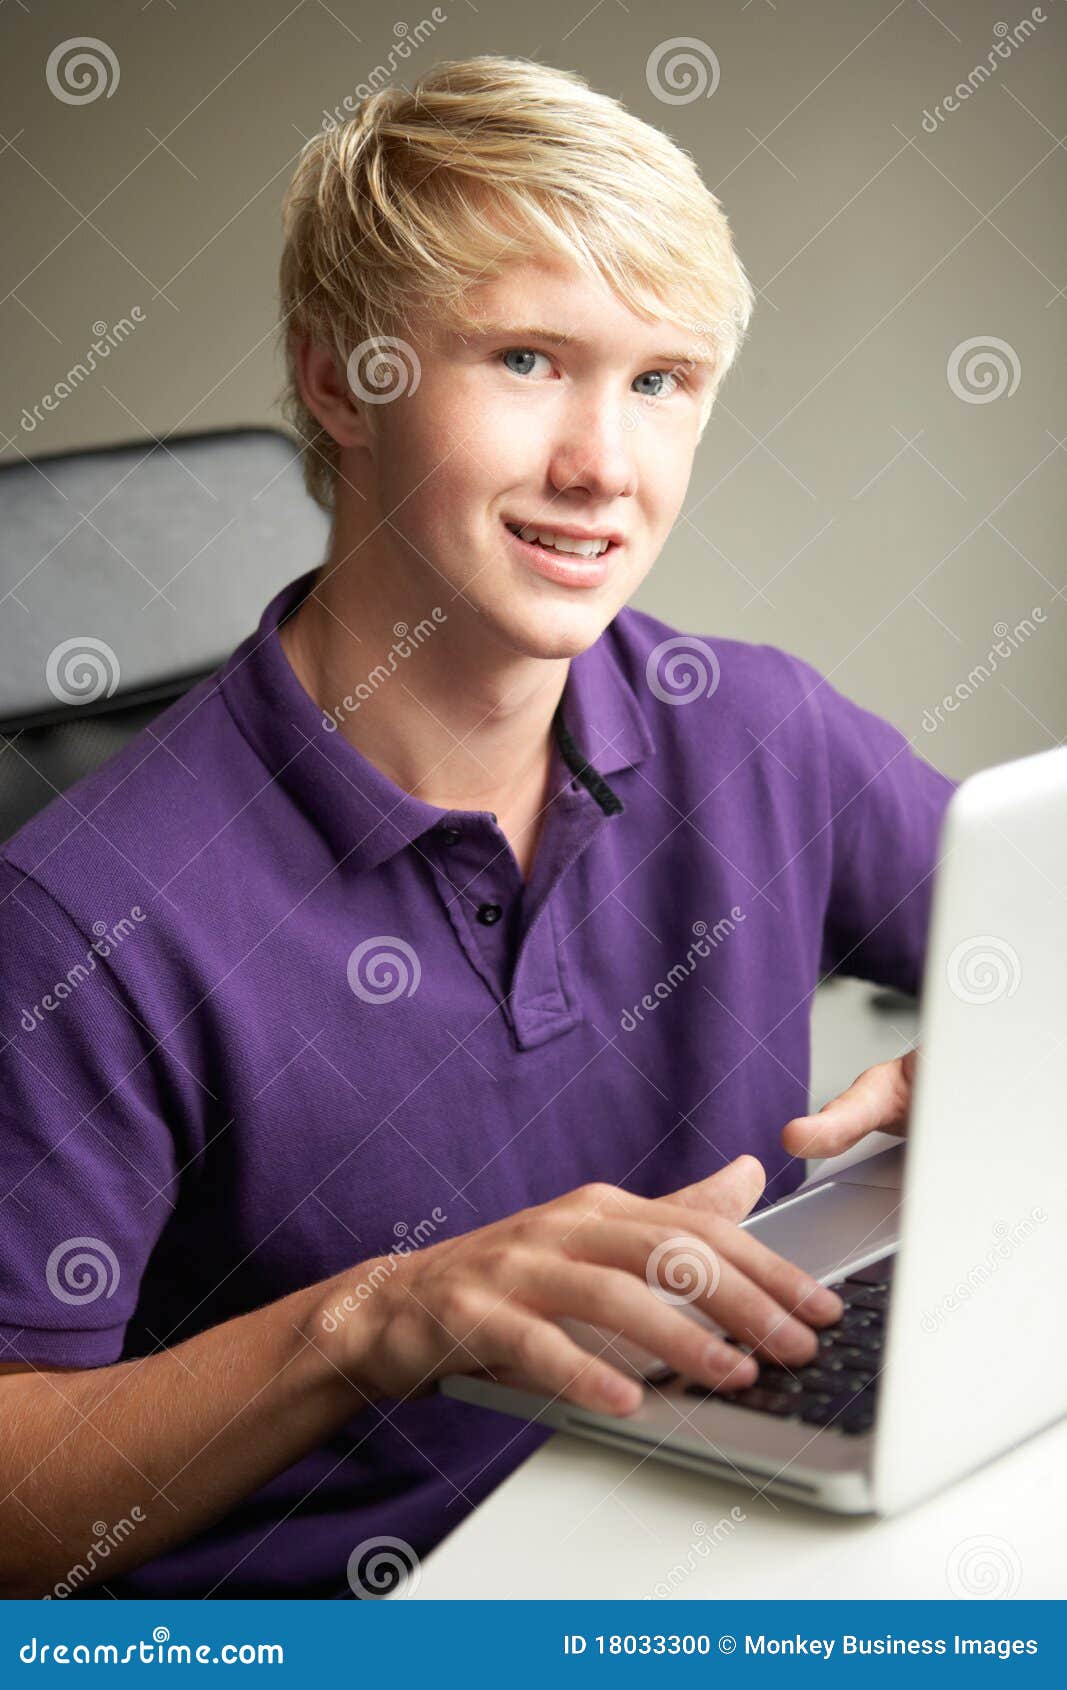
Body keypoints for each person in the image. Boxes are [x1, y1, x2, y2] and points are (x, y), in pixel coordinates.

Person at [0, 56, 955, 1600]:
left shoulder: (757, 728)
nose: (605, 469)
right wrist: (373, 1318)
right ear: (337, 379)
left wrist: (1010, 1044)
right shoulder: (77, 915)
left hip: (697, 1538)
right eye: (524, 359)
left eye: (660, 382)